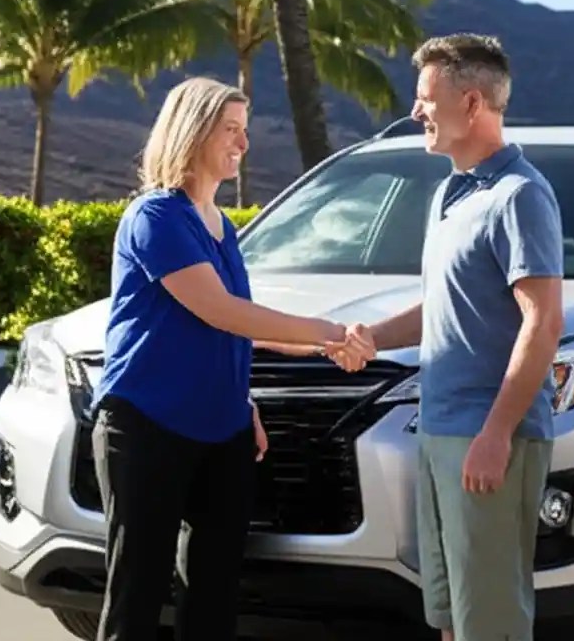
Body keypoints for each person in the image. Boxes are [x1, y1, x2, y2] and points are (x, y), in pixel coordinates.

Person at [90, 76, 371, 641]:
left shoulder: (220, 226)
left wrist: (243, 398)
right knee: (137, 597)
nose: (244, 144)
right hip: (145, 426)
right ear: (193, 132)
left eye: (244, 131)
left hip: (223, 432)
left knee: (213, 596)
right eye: (231, 130)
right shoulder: (156, 217)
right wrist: (327, 331)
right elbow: (220, 311)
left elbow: (240, 328)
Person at [339, 33, 565, 641]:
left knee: (490, 621)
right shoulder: (449, 193)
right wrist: (370, 336)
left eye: (426, 99)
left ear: (471, 104)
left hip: (489, 438)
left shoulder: (521, 196)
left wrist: (496, 434)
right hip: (439, 430)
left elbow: (543, 323)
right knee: (449, 615)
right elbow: (444, 304)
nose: (416, 113)